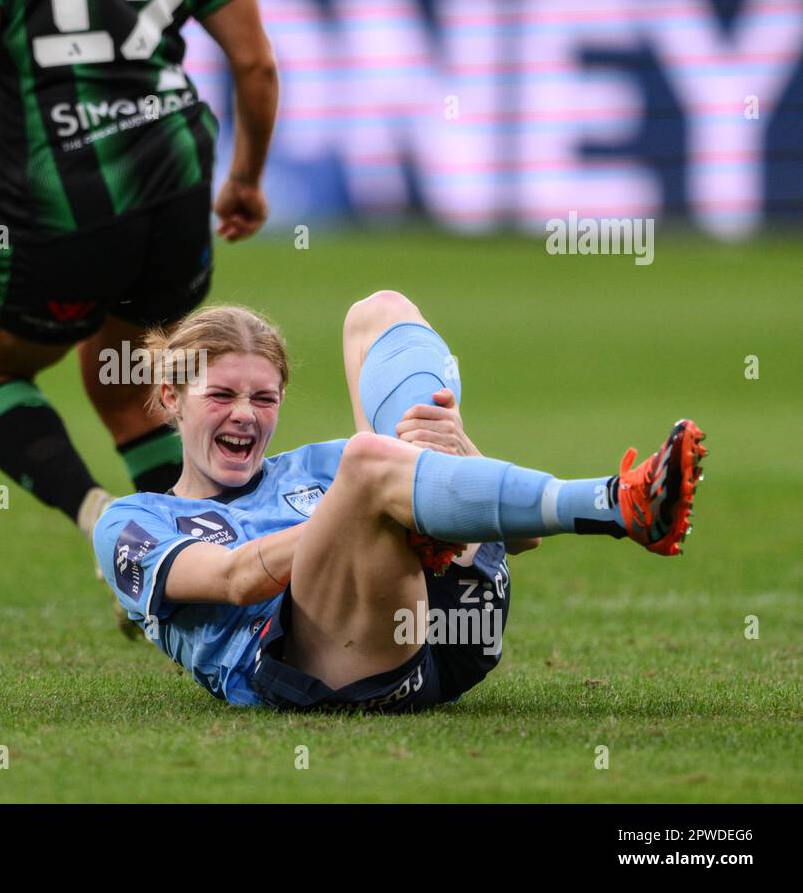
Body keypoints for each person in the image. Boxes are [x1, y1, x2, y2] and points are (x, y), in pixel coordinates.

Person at [93, 291, 705, 710]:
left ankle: (480, 478)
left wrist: (456, 448)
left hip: (456, 624)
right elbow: (231, 579)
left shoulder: (318, 463)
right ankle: (615, 505)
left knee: (376, 313)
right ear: (172, 398)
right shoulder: (135, 520)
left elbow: (523, 540)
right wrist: (375, 518)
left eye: (266, 398)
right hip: (333, 671)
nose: (245, 416)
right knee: (369, 462)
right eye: (222, 394)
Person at [0, 0, 279, 556]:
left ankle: (100, 518)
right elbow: (256, 64)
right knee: (130, 390)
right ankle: (197, 566)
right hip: (177, 188)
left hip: (59, 202)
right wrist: (246, 178)